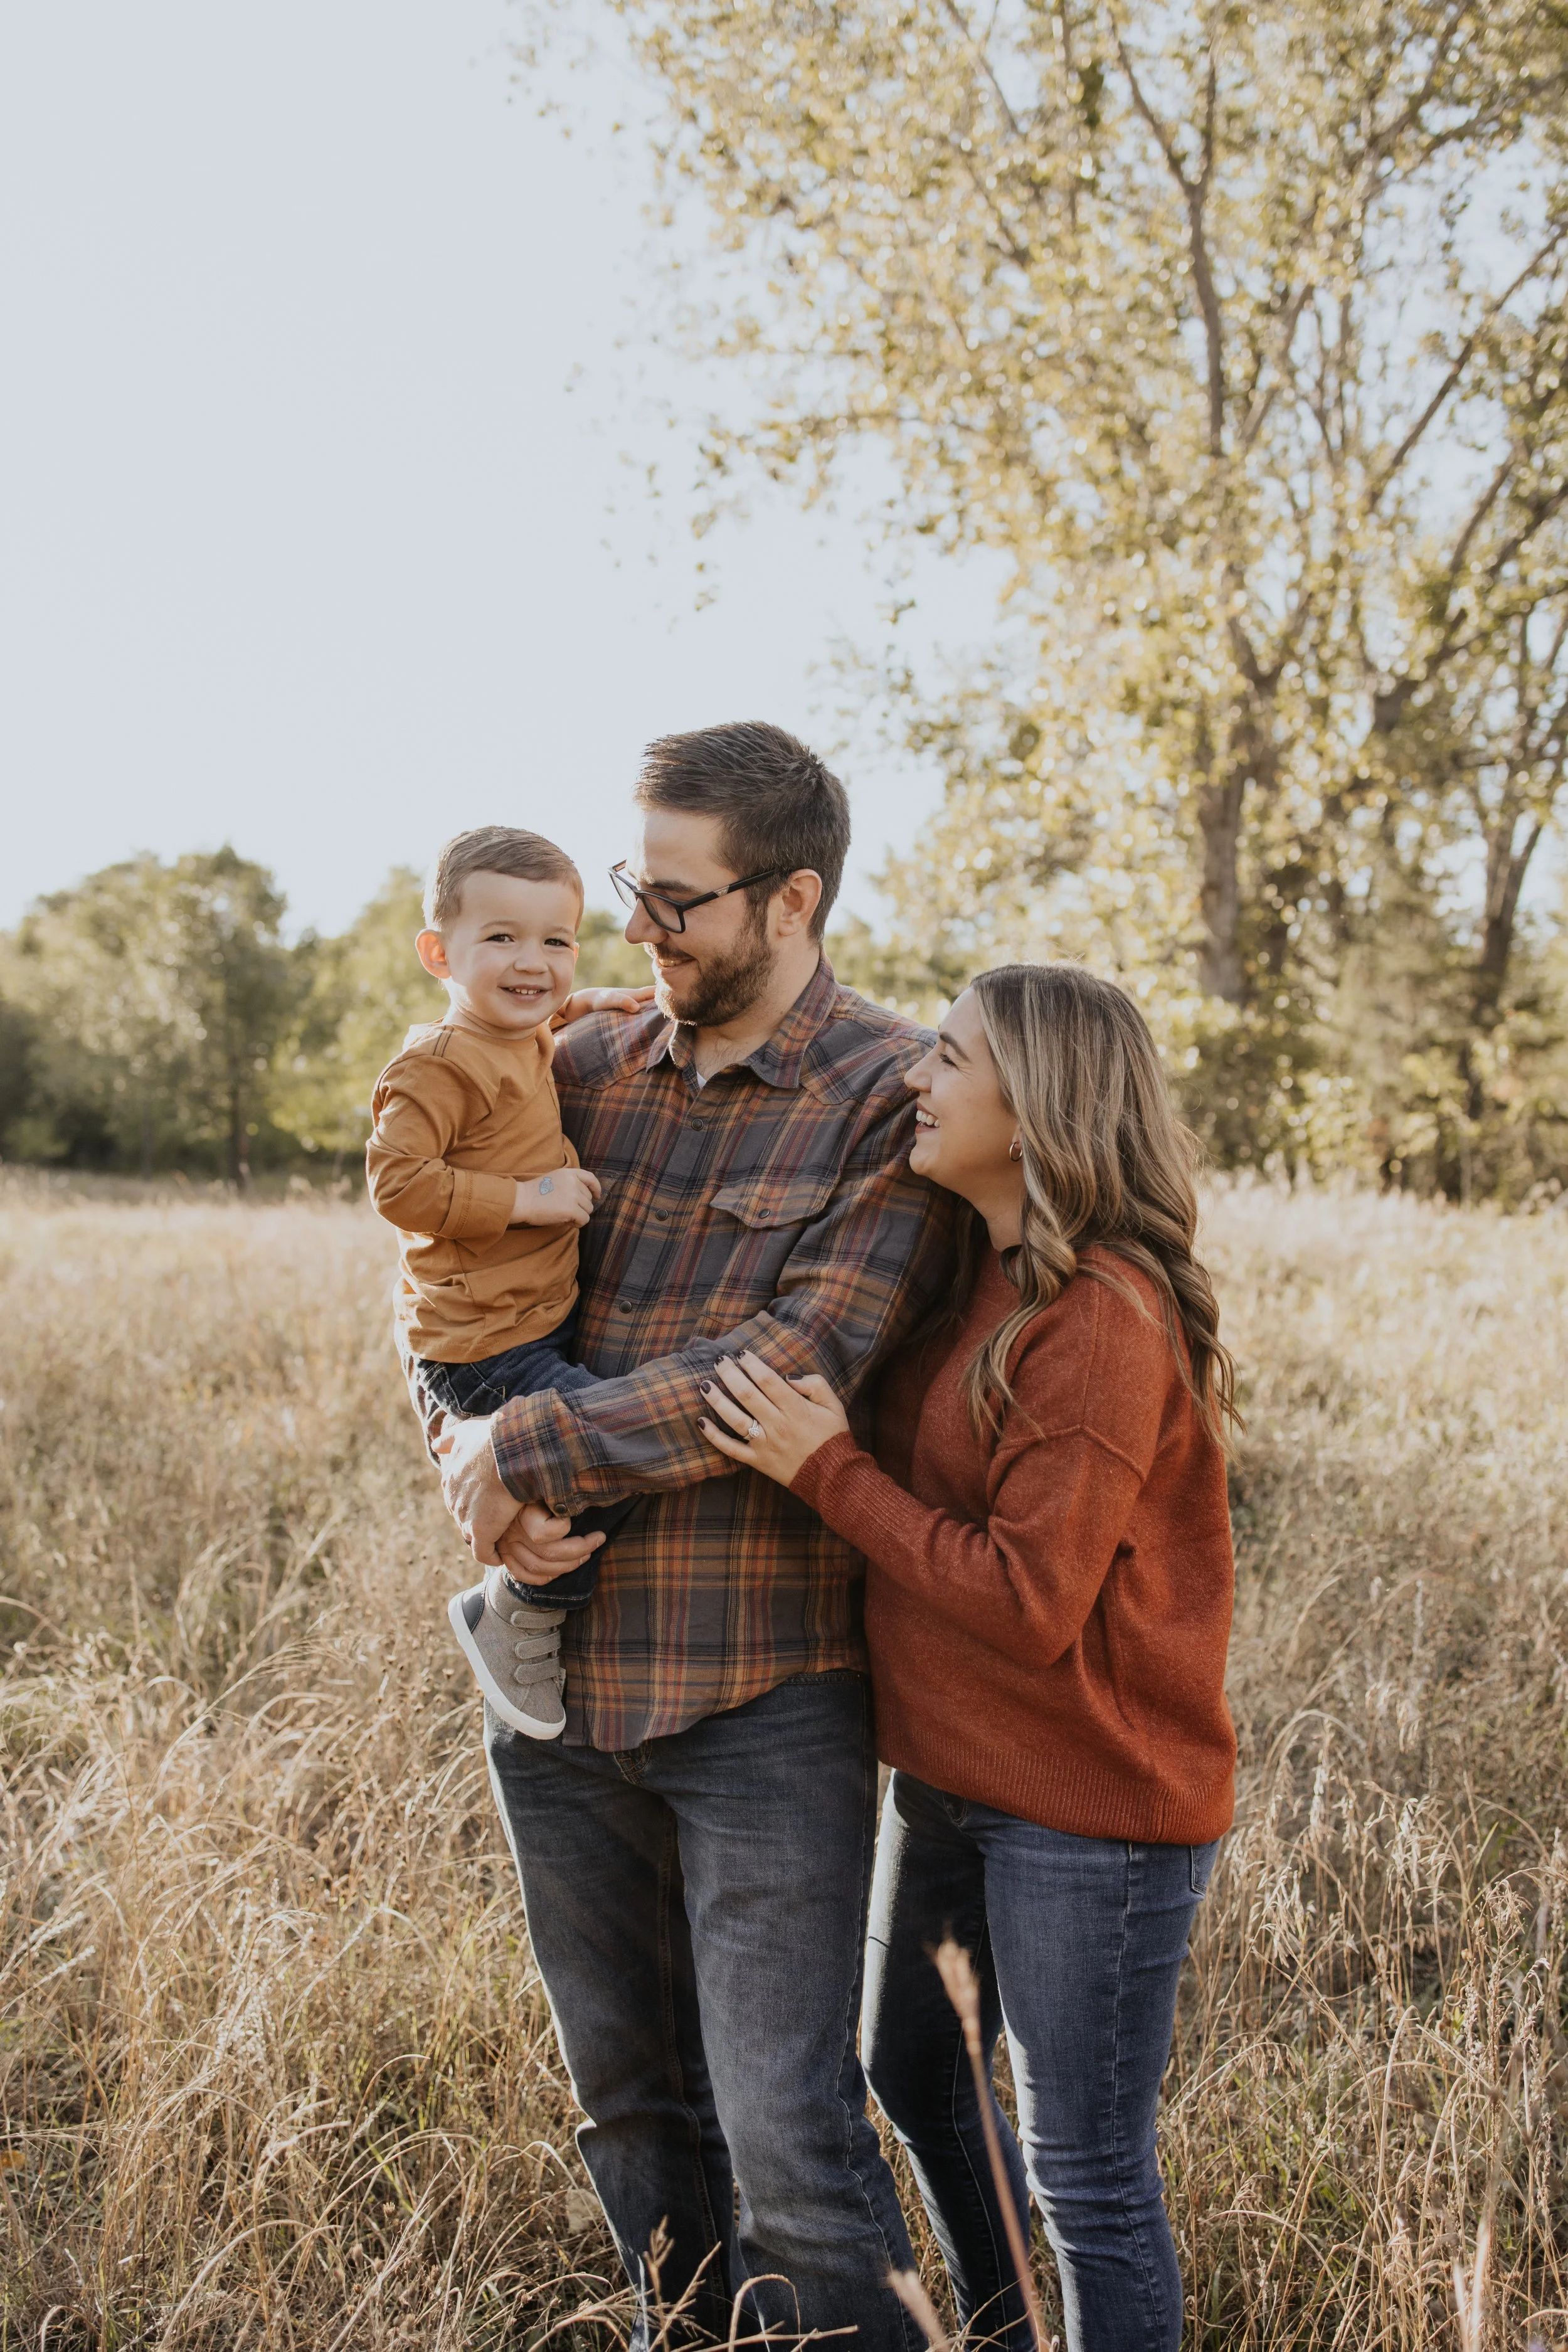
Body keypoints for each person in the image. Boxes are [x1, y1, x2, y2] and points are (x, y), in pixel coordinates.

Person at [426, 723, 956, 2352]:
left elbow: (788, 1366)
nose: (633, 928)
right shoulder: (573, 1068)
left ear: (788, 898)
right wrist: (464, 1444)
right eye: (628, 890)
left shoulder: (893, 1096)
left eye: (673, 900)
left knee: (789, 2143)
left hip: (762, 1692)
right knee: (630, 2113)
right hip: (562, 1688)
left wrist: (521, 1441)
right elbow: (448, 1283)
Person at [699, 961, 1238, 2352]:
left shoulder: (1101, 1320)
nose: (912, 1080)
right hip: (947, 1784)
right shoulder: (977, 1267)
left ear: (1037, 1104)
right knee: (918, 2073)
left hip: (1087, 1812)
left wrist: (824, 1470)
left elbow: (1025, 1601)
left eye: (946, 1060)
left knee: (1089, 2182)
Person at [366, 826, 651, 1737]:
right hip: (484, 1343)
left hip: (527, 1324)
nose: (534, 963)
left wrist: (597, 1002)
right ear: (438, 953)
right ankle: (516, 1609)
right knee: (608, 1444)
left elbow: (545, 1016)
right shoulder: (436, 1064)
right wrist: (528, 1198)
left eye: (557, 942)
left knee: (595, 1446)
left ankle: (527, 1570)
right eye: (503, 939)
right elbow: (397, 1184)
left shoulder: (522, 1031)